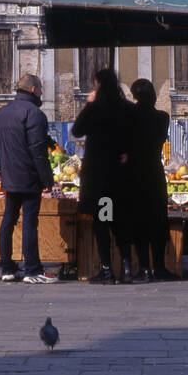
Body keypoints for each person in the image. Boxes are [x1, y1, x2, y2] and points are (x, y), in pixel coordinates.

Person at [0, 73, 58, 284]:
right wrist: (47, 180)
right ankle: (33, 270)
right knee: (30, 221)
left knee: (8, 220)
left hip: (8, 175)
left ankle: (7, 269)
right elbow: (37, 151)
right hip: (28, 176)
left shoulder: (2, 112)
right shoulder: (35, 114)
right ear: (34, 90)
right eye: (41, 90)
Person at [72, 68, 136, 284]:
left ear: (97, 85)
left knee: (104, 222)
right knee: (120, 222)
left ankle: (107, 269)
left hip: (101, 180)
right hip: (120, 178)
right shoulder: (126, 108)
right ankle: (126, 267)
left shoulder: (96, 109)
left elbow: (78, 130)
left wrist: (89, 104)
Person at [129, 78, 174, 281]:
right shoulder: (162, 118)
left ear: (134, 96)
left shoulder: (129, 117)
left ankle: (144, 267)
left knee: (139, 221)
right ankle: (160, 266)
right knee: (158, 221)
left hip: (134, 175)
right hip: (154, 173)